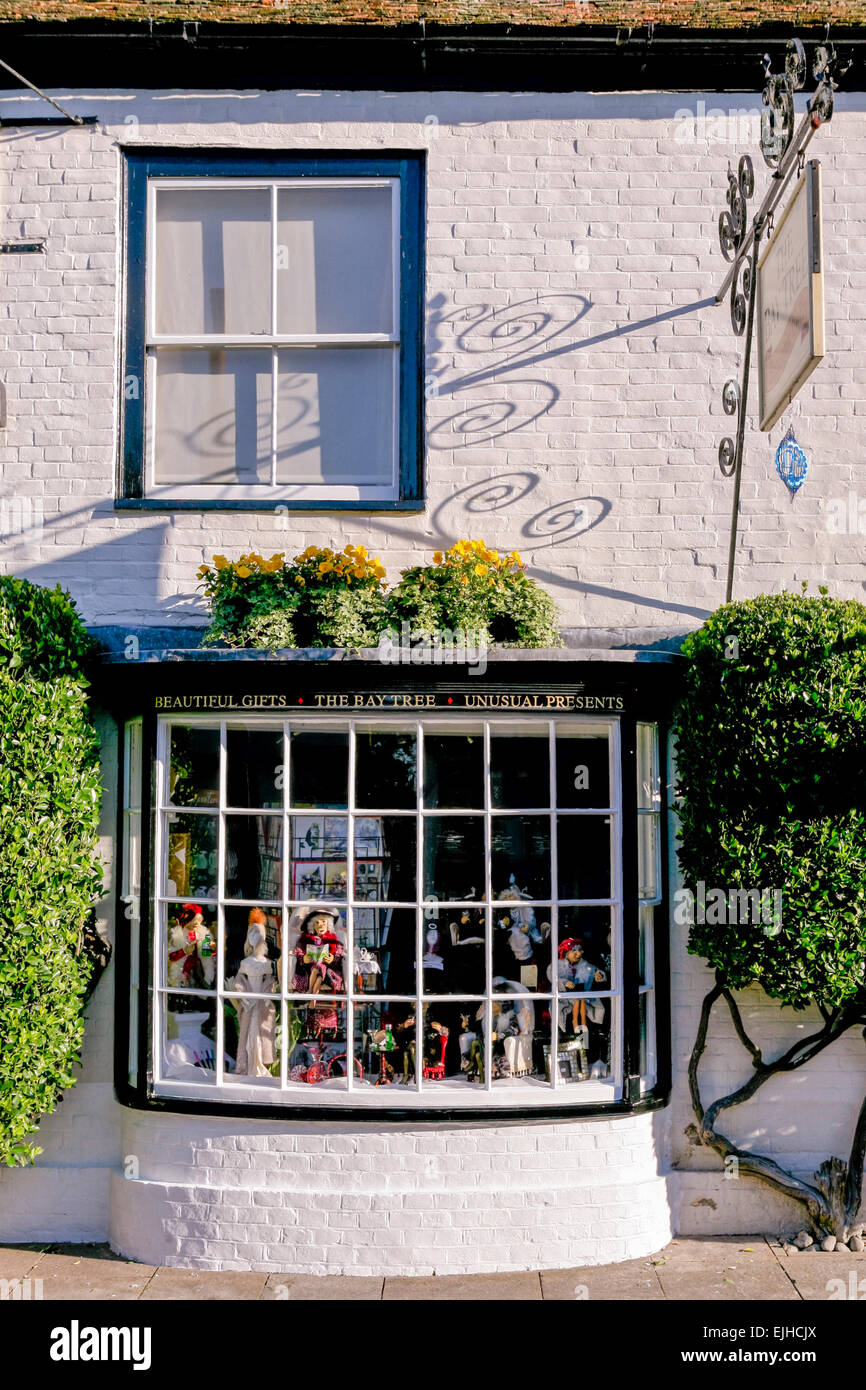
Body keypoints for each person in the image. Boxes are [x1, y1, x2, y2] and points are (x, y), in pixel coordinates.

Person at [548, 937, 606, 1034]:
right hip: (564, 1000)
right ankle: (574, 1029)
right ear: (566, 952)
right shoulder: (557, 965)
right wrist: (564, 982)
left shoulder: (586, 965)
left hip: (584, 999)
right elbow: (552, 977)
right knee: (565, 1027)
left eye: (579, 950)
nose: (578, 953)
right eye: (574, 951)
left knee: (583, 1009)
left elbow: (597, 971)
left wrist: (600, 975)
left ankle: (584, 1035)